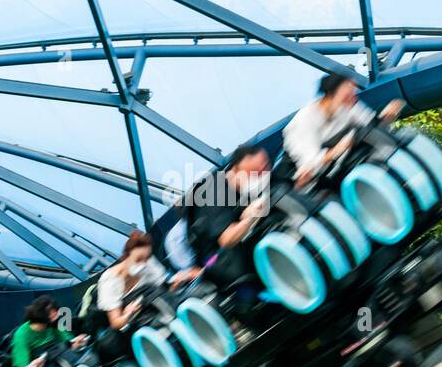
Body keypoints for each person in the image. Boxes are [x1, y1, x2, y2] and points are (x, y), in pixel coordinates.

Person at [282, 72, 403, 187]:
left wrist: (387, 116)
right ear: (331, 96)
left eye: (352, 95)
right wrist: (339, 149)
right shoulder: (305, 119)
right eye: (347, 96)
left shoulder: (348, 106)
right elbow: (310, 163)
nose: (353, 100)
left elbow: (371, 124)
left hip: (339, 163)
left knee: (368, 137)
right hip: (304, 177)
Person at [183, 144, 272, 288]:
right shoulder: (213, 193)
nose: (263, 176)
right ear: (236, 170)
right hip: (220, 263)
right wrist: (252, 217)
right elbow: (227, 239)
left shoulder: (255, 185)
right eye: (255, 173)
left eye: (266, 168)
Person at [95, 231, 197, 332]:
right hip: (140, 324)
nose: (144, 263)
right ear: (125, 257)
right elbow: (116, 323)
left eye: (146, 258)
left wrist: (177, 283)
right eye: (138, 259)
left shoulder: (148, 262)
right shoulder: (110, 279)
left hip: (161, 311)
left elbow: (165, 293)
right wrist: (128, 313)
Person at [11, 296, 88, 367]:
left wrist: (77, 344)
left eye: (56, 310)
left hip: (61, 361)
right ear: (40, 313)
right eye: (52, 312)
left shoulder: (54, 324)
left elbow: (69, 342)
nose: (57, 313)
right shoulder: (21, 335)